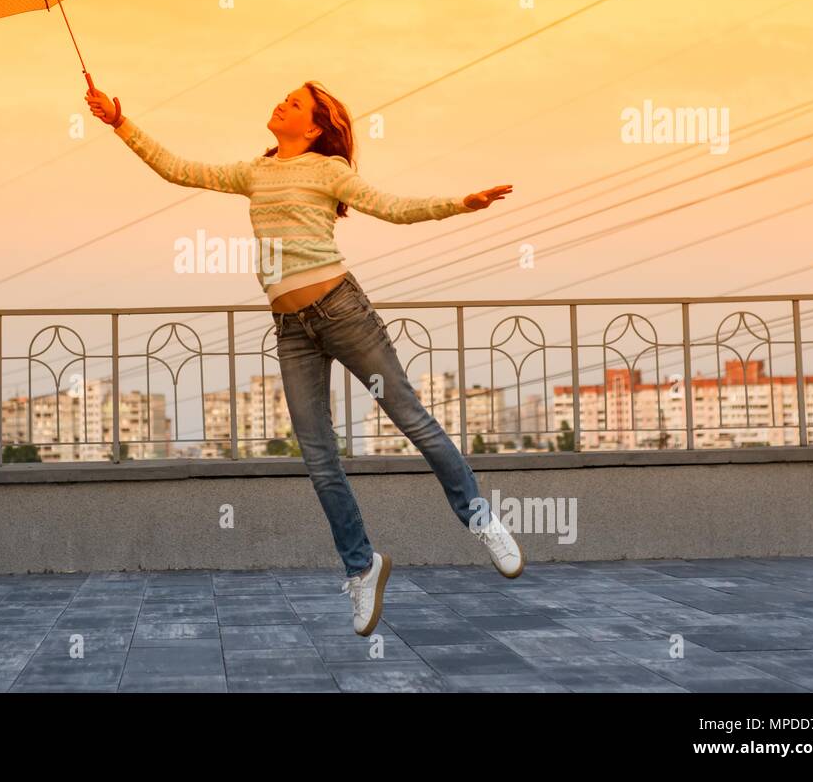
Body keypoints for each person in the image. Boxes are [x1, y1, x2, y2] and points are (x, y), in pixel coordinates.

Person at [86, 81, 523, 637]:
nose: (280, 104)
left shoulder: (328, 170)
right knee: (319, 458)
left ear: (314, 127)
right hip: (291, 328)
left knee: (411, 418)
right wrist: (119, 122)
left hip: (342, 310)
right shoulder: (255, 172)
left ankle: (481, 520)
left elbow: (393, 208)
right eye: (284, 98)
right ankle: (362, 567)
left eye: (293, 103)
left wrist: (460, 204)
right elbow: (177, 169)